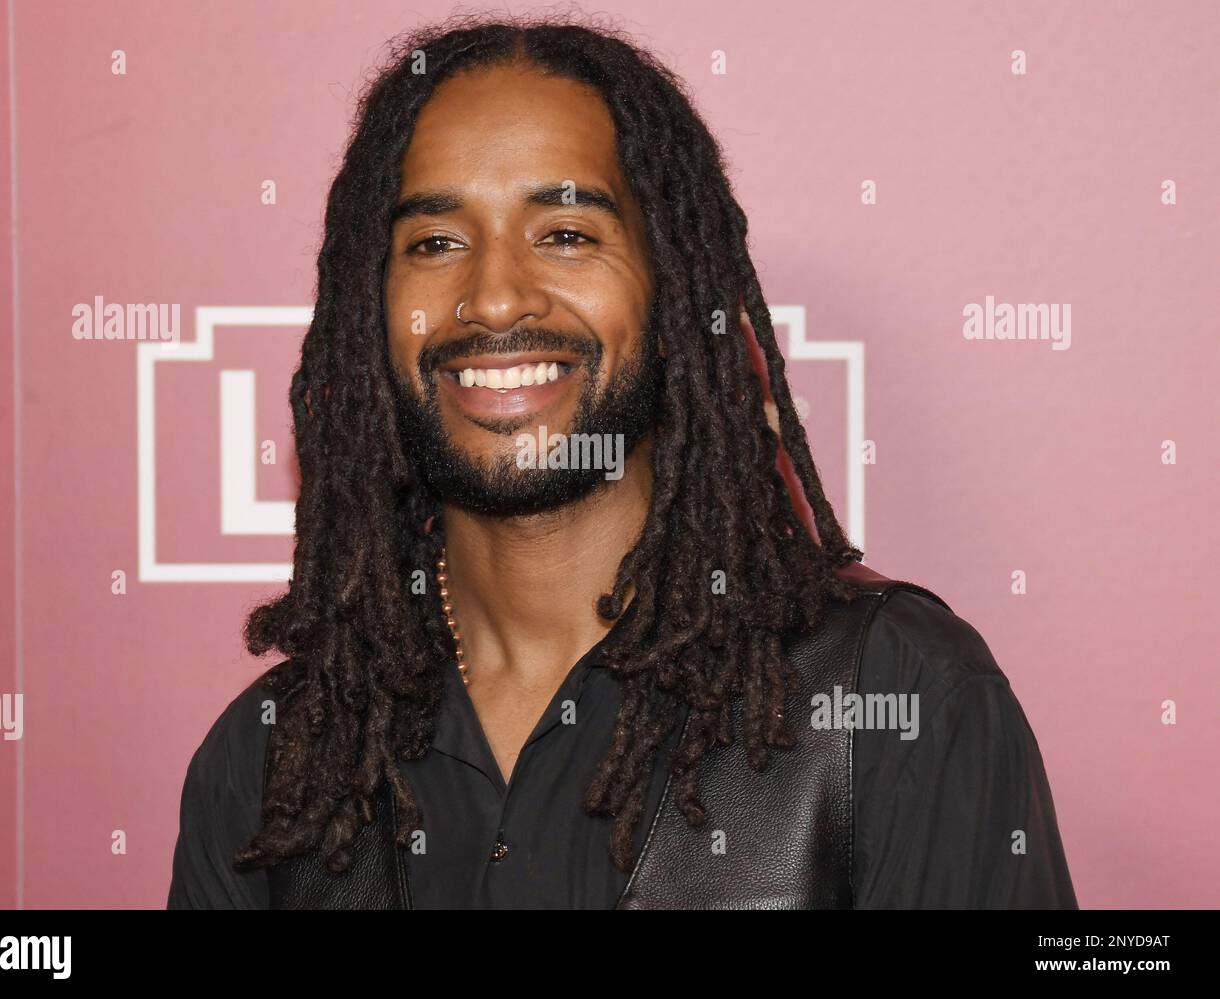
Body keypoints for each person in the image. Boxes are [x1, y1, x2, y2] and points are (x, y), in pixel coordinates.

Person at [167, 14, 1077, 910]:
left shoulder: (894, 699)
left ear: (673, 291)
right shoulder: (271, 764)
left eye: (566, 234)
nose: (491, 297)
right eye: (436, 243)